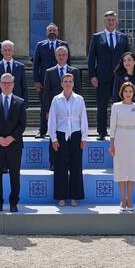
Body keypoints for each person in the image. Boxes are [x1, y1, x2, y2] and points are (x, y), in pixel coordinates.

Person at [0, 72, 27, 212]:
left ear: (13, 84)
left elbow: (22, 124)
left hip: (14, 145)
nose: (7, 85)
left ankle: (14, 202)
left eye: (9, 83)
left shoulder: (20, 102)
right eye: (4, 83)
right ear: (0, 84)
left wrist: (10, 138)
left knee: (14, 175)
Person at [47, 72, 88, 206]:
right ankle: (61, 197)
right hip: (60, 134)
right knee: (60, 166)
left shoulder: (79, 99)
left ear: (73, 83)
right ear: (61, 84)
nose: (68, 84)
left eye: (70, 81)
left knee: (76, 166)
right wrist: (53, 138)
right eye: (65, 81)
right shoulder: (56, 99)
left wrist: (84, 137)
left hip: (76, 134)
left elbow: (84, 119)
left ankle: (75, 197)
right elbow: (52, 119)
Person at [87, 11, 129, 138]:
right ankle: (102, 132)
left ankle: (119, 130)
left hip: (120, 78)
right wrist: (92, 75)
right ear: (104, 22)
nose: (111, 22)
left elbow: (128, 57)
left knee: (121, 105)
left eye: (113, 20)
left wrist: (129, 75)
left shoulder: (123, 37)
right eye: (108, 20)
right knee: (102, 106)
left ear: (116, 21)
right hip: (102, 77)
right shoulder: (97, 37)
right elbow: (91, 58)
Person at [109, 81, 135, 211]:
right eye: (125, 91)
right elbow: (112, 126)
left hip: (133, 139)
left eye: (130, 91)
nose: (128, 94)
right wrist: (111, 144)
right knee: (121, 169)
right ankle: (122, 199)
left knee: (132, 170)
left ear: (133, 93)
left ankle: (130, 199)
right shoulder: (116, 106)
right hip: (120, 138)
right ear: (121, 93)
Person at [40, 45, 77, 139]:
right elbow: (45, 93)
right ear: (56, 56)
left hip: (70, 107)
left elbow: (77, 91)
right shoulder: (49, 72)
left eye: (63, 55)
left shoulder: (74, 71)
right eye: (59, 55)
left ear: (67, 56)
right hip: (55, 106)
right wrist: (47, 110)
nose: (61, 57)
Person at [31, 24, 65, 94]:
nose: (52, 32)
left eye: (54, 30)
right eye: (50, 30)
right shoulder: (40, 45)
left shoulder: (64, 45)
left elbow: (67, 62)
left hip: (60, 79)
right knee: (45, 103)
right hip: (44, 80)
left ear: (57, 32)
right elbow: (36, 64)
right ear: (46, 32)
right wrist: (36, 81)